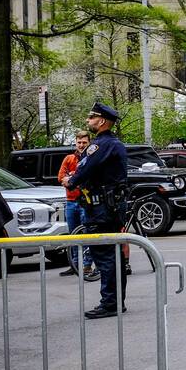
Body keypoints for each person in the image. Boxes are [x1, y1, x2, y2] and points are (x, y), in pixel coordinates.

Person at [67, 102, 130, 320]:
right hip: (110, 206)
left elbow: (84, 169)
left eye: (91, 117)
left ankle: (110, 302)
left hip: (103, 208)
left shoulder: (101, 145)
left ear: (102, 121)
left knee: (104, 255)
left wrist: (71, 181)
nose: (88, 121)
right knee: (113, 254)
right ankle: (115, 301)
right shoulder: (113, 143)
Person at [58, 131, 94, 277]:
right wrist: (72, 178)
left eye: (84, 142)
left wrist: (72, 178)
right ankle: (75, 264)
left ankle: (87, 265)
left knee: (87, 234)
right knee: (73, 235)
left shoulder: (92, 158)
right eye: (79, 142)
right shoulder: (69, 158)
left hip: (86, 202)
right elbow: (61, 177)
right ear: (75, 143)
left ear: (89, 143)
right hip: (71, 202)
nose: (81, 145)